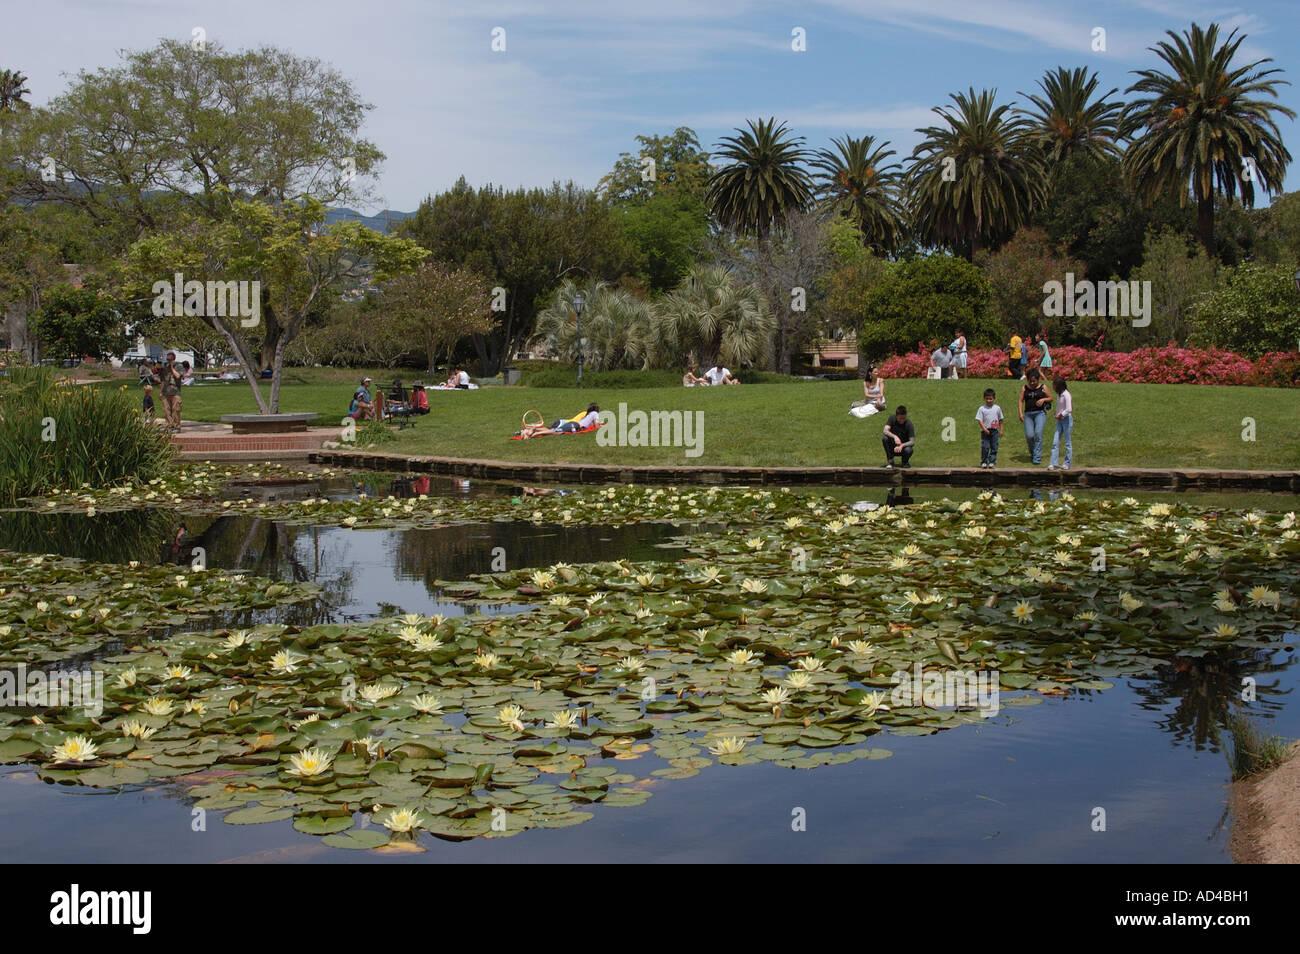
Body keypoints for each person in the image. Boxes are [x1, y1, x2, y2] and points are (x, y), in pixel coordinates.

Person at [1018, 368, 1054, 465]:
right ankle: (1033, 452)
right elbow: (1021, 400)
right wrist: (1020, 413)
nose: (1032, 383)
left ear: (1038, 380)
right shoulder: (1025, 388)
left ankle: (1037, 458)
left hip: (1040, 413)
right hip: (1028, 414)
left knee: (1038, 433)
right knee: (1029, 435)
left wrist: (1043, 400)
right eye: (1030, 381)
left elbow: (1051, 398)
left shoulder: (1043, 387)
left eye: (1034, 381)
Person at [1049, 376, 1073, 471]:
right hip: (1060, 420)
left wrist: (1061, 414)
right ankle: (1053, 463)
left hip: (1066, 420)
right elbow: (1060, 407)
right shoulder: (1059, 395)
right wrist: (1057, 413)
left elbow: (1069, 409)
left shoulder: (1066, 395)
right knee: (1055, 442)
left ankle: (1067, 463)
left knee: (1067, 442)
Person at [975, 387, 1003, 469]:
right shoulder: (982, 409)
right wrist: (984, 429)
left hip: (994, 430)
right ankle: (984, 461)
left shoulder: (997, 408)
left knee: (994, 447)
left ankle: (992, 462)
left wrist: (1001, 430)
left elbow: (1001, 419)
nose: (988, 400)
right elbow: (979, 420)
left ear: (994, 398)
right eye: (987, 399)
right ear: (984, 398)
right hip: (985, 431)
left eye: (990, 399)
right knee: (985, 447)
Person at [159, 352, 184, 432]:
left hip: (175, 392)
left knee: (176, 410)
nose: (168, 361)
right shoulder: (165, 367)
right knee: (166, 410)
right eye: (167, 359)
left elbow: (178, 376)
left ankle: (176, 427)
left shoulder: (179, 366)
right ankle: (169, 426)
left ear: (174, 359)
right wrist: (161, 391)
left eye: (170, 359)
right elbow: (163, 380)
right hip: (166, 392)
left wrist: (172, 367)